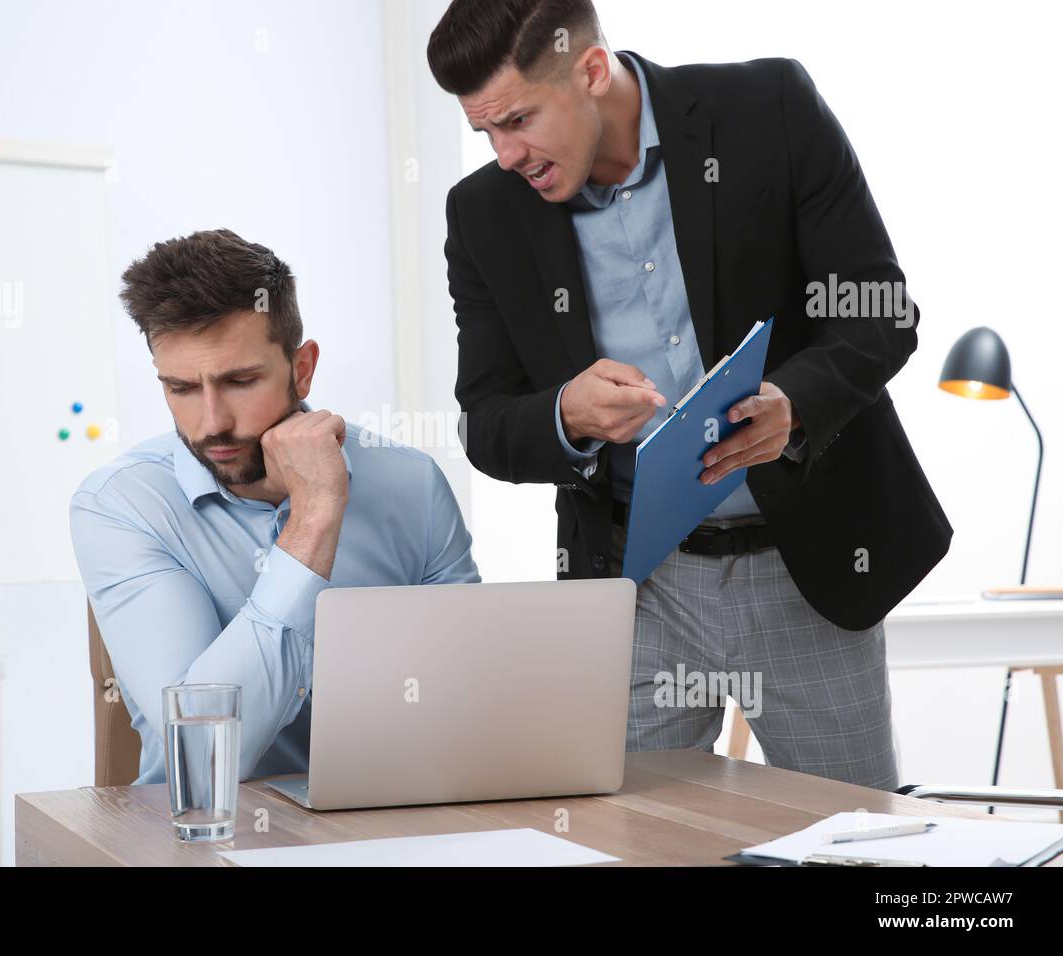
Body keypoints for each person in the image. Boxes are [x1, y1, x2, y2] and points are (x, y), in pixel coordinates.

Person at [427, 0, 952, 789]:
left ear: (591, 71)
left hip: (807, 567)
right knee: (628, 838)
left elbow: (880, 313)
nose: (506, 156)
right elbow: (486, 424)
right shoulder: (481, 215)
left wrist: (793, 404)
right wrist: (565, 413)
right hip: (639, 588)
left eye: (518, 121)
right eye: (485, 133)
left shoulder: (770, 109)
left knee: (852, 836)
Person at [70, 228, 479, 784]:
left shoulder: (412, 484)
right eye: (181, 389)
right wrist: (314, 516)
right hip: (214, 826)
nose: (212, 423)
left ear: (301, 369)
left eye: (240, 381)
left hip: (393, 812)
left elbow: (470, 699)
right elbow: (203, 755)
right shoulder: (122, 507)